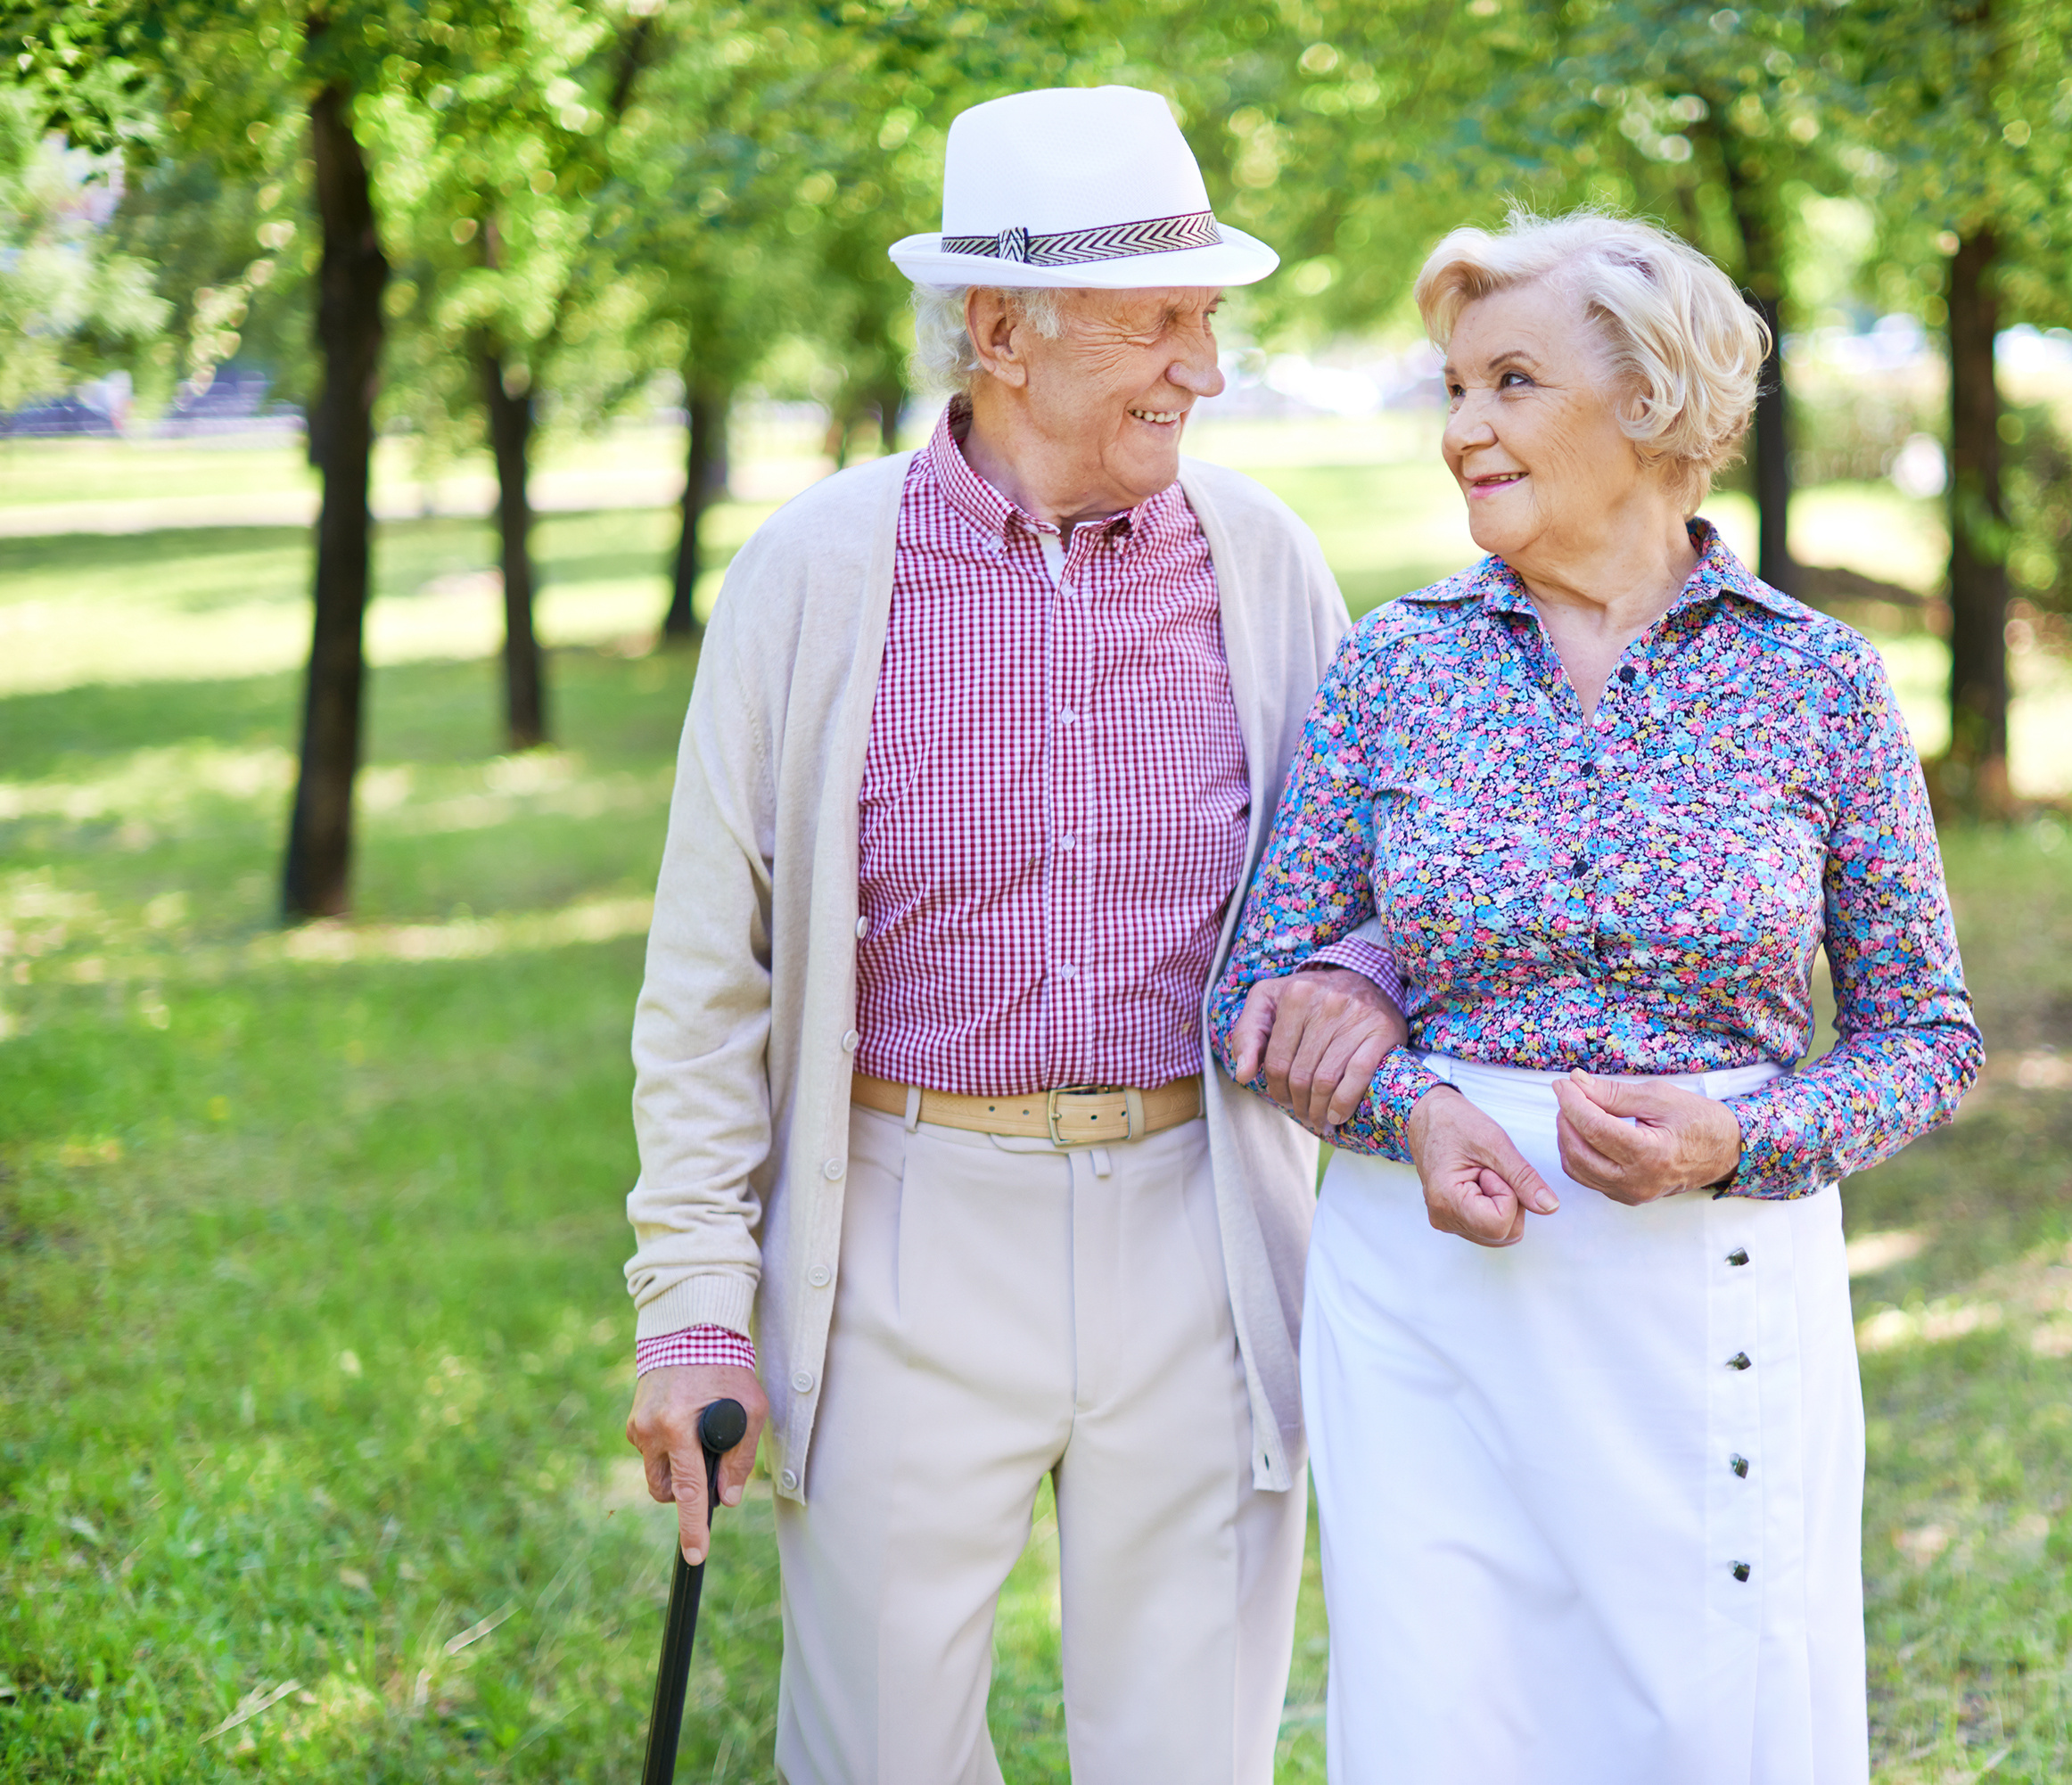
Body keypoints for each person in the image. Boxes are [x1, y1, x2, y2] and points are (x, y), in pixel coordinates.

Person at [620, 86, 1404, 1785]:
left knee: (1190, 1756)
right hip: (904, 1228)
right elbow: (707, 984)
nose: (1204, 367)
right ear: (1000, 329)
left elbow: (1362, 895)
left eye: (1209, 320)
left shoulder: (1263, 564)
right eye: (1159, 323)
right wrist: (692, 1309)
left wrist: (1356, 976)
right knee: (877, 1757)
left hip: (1199, 1225)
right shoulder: (816, 574)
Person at [1212, 212, 1985, 1784]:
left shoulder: (1816, 682)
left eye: (1510, 380)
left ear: (1650, 404)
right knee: (1446, 1725)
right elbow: (1253, 988)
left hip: (1715, 1269)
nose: (1462, 428)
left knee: (1714, 1721)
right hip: (1430, 1287)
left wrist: (1742, 1138)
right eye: (1453, 387)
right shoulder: (1392, 668)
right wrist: (1407, 1105)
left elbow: (1927, 1031)